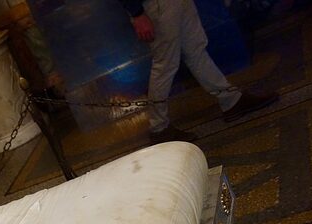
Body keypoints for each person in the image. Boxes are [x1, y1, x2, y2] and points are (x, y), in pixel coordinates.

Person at [119, 0, 278, 143]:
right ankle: (158, 127)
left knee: (196, 50)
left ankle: (231, 99)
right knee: (165, 64)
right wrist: (137, 13)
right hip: (158, 4)